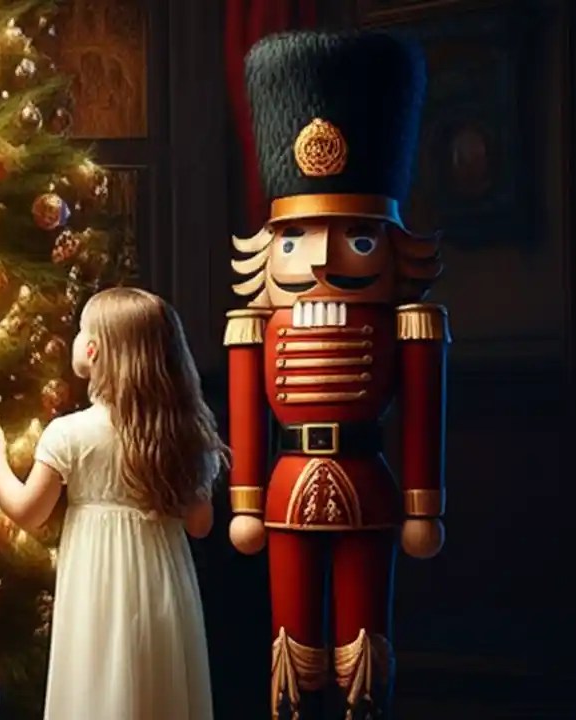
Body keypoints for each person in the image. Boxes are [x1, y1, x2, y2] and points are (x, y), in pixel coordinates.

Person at [224, 30, 447, 719]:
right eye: (293, 239)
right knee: (290, 646)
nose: (319, 261)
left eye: (353, 238)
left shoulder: (410, 325)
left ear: (391, 244)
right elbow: (246, 414)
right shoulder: (253, 327)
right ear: (268, 247)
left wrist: (422, 505)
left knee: (363, 643)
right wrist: (244, 501)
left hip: (371, 484)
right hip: (286, 487)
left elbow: (420, 414)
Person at [0, 286, 223, 720]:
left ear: (94, 348)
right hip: (162, 580)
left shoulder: (70, 433)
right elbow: (200, 525)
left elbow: (29, 511)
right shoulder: (185, 436)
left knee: (98, 681)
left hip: (95, 579)